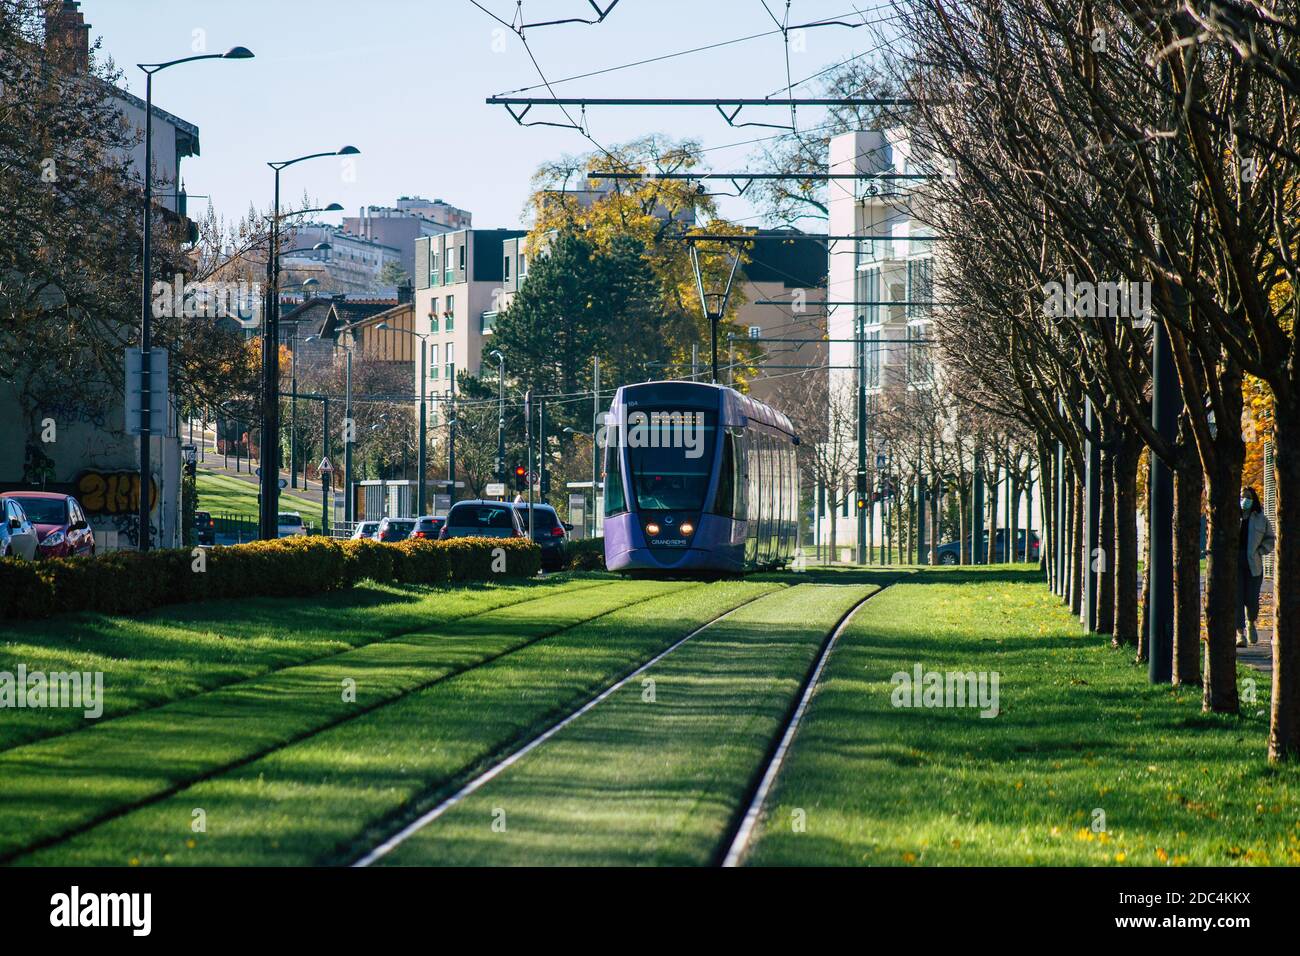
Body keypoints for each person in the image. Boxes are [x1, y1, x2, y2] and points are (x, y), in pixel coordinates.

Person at [1238, 487, 1275, 647]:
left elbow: (1270, 539)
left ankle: (1251, 622)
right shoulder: (1232, 516)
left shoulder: (1261, 519)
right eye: (1242, 497)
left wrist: (1260, 551)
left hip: (1254, 563)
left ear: (1254, 499)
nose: (1245, 500)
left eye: (1248, 497)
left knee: (1251, 599)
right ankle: (1240, 634)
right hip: (1235, 563)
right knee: (1236, 598)